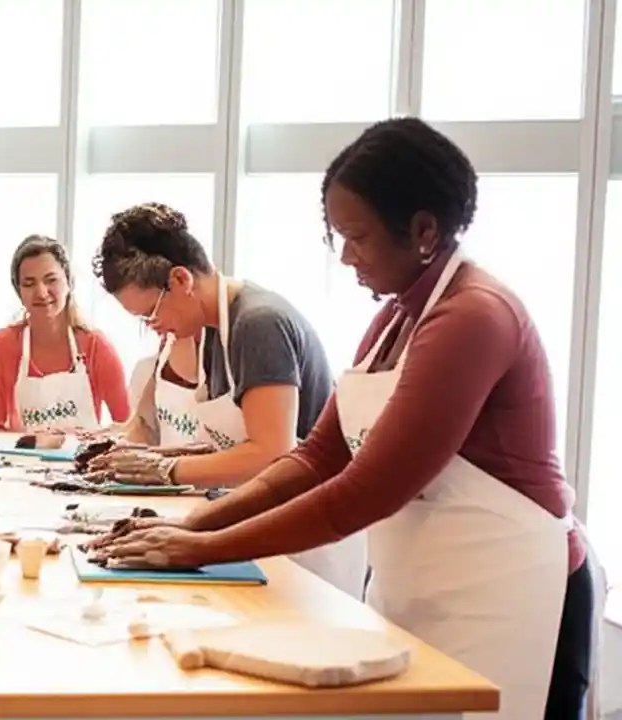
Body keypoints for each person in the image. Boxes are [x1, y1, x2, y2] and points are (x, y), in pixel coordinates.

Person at [93, 118, 595, 720]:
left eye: (356, 236)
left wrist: (200, 545)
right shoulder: (394, 319)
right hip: (430, 582)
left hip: (515, 591)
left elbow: (366, 491)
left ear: (424, 230)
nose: (345, 256)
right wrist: (198, 523)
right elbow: (317, 456)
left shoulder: (473, 317)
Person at [89, 203, 363, 599]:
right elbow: (230, 444)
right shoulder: (213, 330)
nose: (154, 328)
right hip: (260, 520)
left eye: (149, 314)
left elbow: (271, 453)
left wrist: (168, 469)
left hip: (310, 542)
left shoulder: (259, 324)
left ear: (180, 279)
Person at [0, 235, 129, 432]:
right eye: (29, 284)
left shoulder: (95, 345)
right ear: (18, 291)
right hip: (20, 462)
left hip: (83, 461)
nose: (41, 292)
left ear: (69, 283)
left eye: (51, 280)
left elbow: (130, 427)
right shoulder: (2, 345)